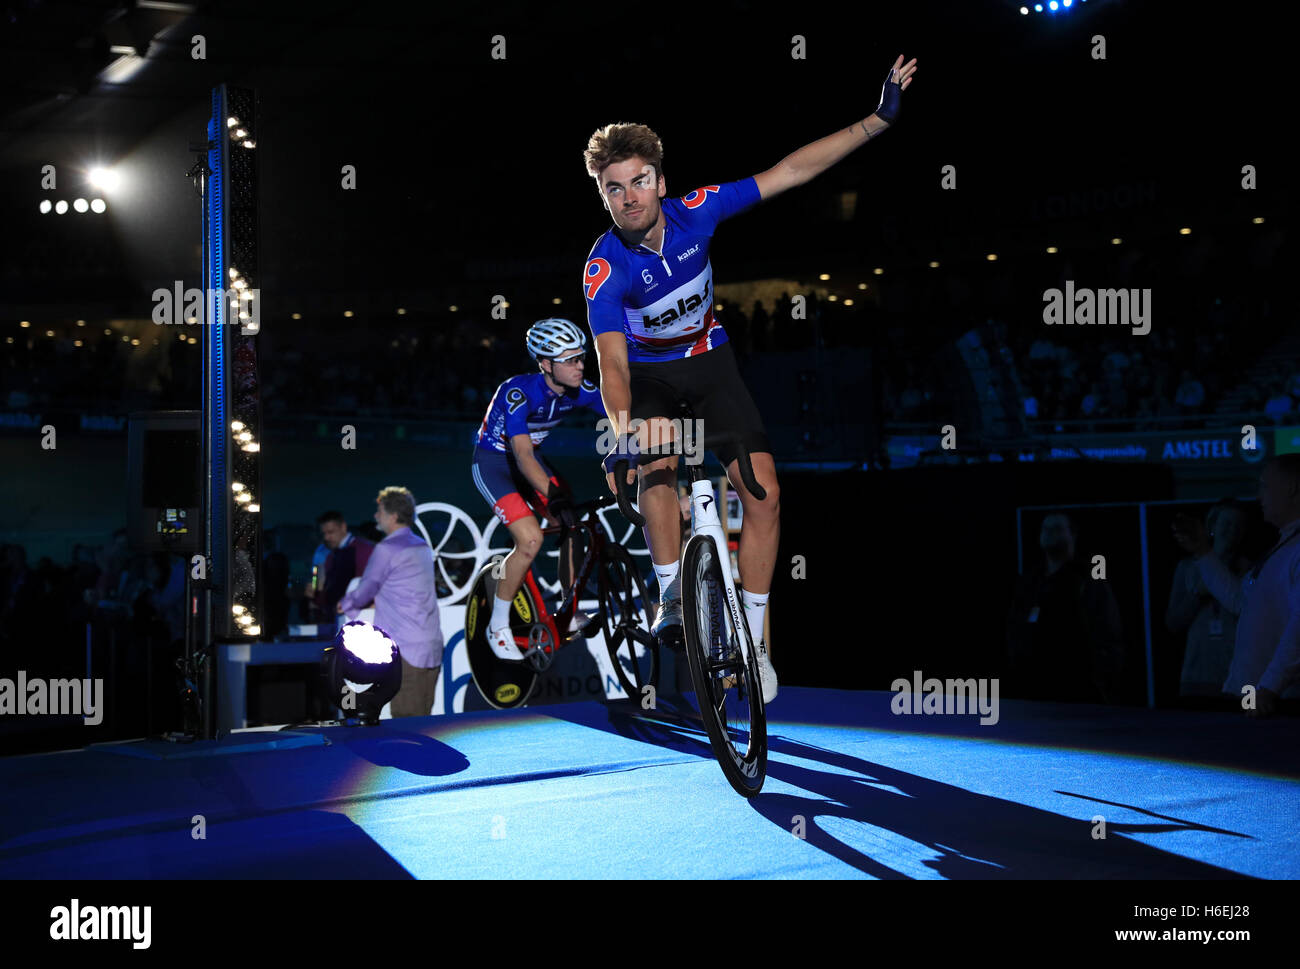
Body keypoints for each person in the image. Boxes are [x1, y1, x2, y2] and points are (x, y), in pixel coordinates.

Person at [582, 55, 919, 704]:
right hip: (648, 379)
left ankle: (757, 644)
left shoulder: (697, 212)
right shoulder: (604, 266)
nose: (629, 198)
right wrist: (621, 429)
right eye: (613, 188)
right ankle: (671, 595)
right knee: (656, 458)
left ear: (660, 179)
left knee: (764, 495)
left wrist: (875, 121)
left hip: (711, 364)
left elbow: (787, 172)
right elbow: (614, 366)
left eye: (639, 181)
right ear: (603, 194)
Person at [471, 318, 608, 660]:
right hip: (495, 465)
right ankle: (497, 625)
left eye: (581, 357)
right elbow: (521, 455)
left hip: (530, 461)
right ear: (546, 364)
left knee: (572, 523)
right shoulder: (517, 392)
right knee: (531, 538)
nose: (580, 366)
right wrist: (554, 494)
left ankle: (568, 608)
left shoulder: (579, 388)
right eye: (570, 360)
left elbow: (621, 417)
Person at [1172, 455, 1300, 717]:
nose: (1258, 496)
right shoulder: (1284, 547)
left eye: (1264, 486)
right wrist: (1203, 552)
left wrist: (1270, 686)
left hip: (1277, 703)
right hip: (1262, 699)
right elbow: (1241, 602)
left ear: (1291, 489)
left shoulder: (1294, 549)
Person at [337, 487, 442, 718]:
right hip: (431, 645)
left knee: (407, 725)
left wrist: (347, 604)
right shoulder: (422, 546)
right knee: (425, 721)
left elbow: (367, 588)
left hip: (406, 649)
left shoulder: (387, 548)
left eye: (380, 511)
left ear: (393, 516)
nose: (376, 516)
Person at [1006, 513, 1125, 704]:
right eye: (1045, 529)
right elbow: (1015, 624)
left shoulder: (1086, 577)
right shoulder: (1030, 579)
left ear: (1073, 534)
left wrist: (1102, 675)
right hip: (1033, 683)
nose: (1049, 534)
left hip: (1077, 684)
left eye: (1057, 529)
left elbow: (1107, 627)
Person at [1166, 501, 1249, 699]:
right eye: (1227, 523)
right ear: (1212, 526)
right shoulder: (1187, 568)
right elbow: (1173, 622)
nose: (1232, 530)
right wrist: (1198, 593)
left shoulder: (1248, 569)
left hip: (1237, 675)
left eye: (1238, 525)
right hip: (1196, 675)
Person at [313, 511, 375, 618]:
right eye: (324, 534)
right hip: (338, 616)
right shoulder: (328, 556)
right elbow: (323, 590)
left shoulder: (364, 550)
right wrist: (316, 593)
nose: (327, 537)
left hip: (362, 617)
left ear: (343, 527)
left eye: (331, 532)